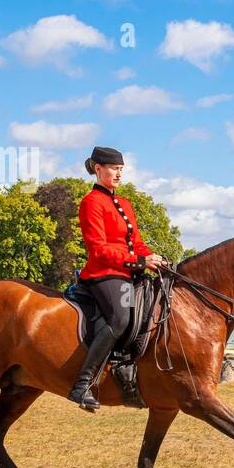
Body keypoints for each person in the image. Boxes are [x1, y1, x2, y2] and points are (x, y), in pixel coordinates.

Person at [68, 146, 168, 411]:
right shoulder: (91, 202)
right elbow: (98, 249)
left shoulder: (125, 204)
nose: (118, 174)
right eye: (114, 169)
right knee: (121, 317)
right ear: (98, 169)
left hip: (129, 272)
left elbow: (137, 243)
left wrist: (154, 258)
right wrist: (138, 262)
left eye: (121, 170)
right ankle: (83, 384)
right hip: (104, 273)